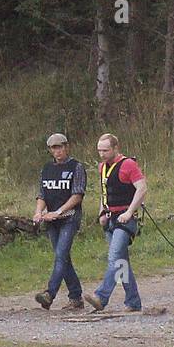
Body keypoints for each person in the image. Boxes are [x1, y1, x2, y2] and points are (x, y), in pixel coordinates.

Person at [86, 133, 147, 313]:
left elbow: (142, 188)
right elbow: (104, 192)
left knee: (114, 257)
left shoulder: (128, 165)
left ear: (115, 149)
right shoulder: (102, 167)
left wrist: (129, 212)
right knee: (121, 262)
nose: (102, 154)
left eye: (105, 150)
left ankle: (101, 296)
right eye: (99, 151)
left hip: (125, 220)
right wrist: (101, 213)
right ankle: (133, 301)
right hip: (110, 218)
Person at [33, 133, 87, 311]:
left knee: (61, 254)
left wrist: (58, 212)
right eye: (53, 148)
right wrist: (38, 212)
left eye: (60, 147)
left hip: (69, 217)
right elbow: (42, 194)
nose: (57, 151)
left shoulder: (76, 167)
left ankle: (49, 294)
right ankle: (76, 297)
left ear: (67, 147)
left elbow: (77, 195)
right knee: (63, 258)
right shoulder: (46, 169)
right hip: (51, 220)